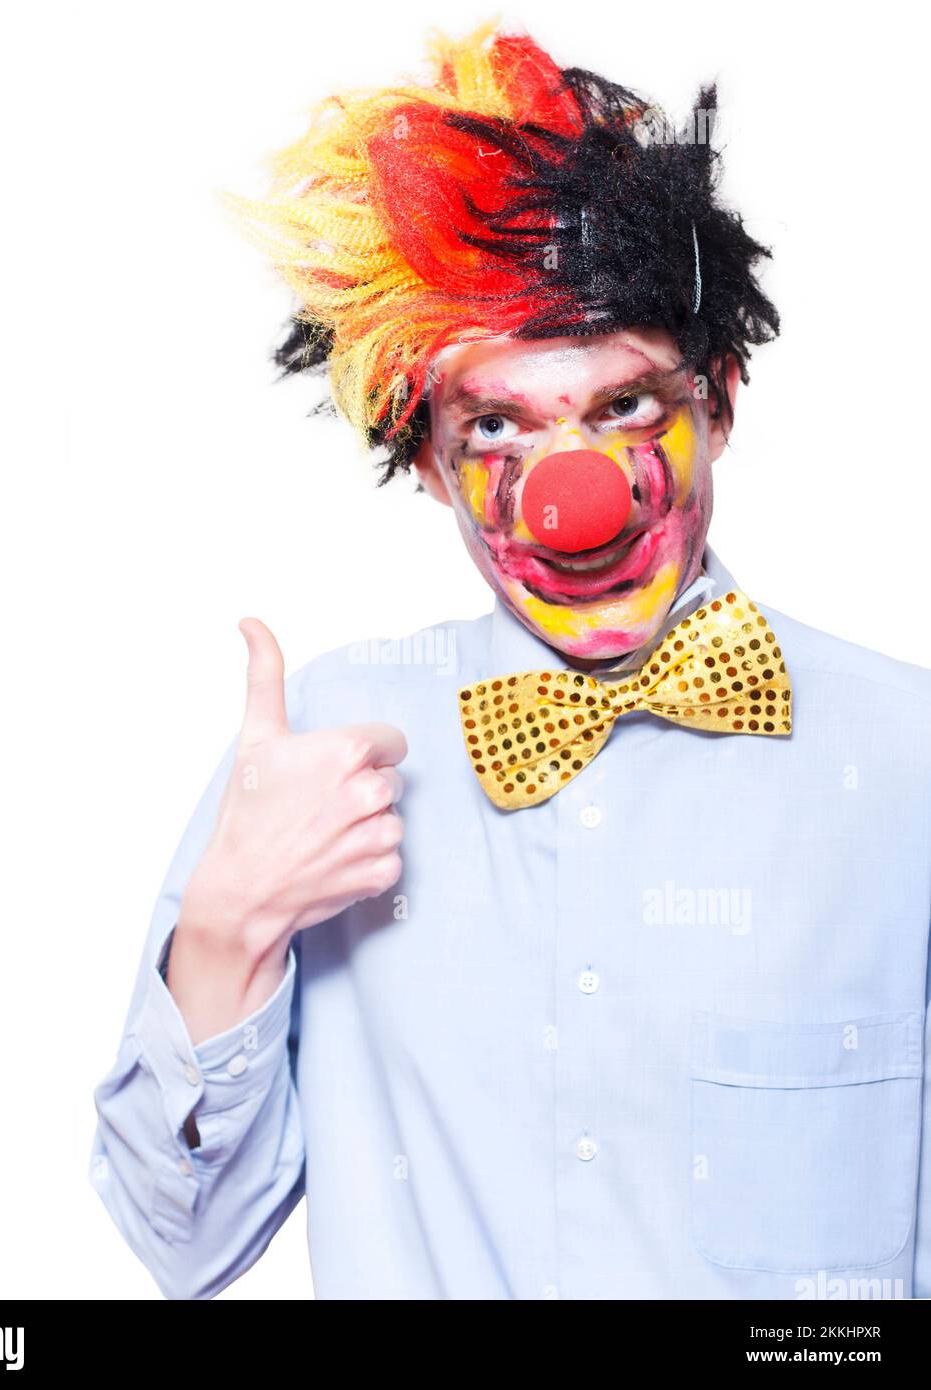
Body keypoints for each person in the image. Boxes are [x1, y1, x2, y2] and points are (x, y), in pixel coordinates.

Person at [88, 20, 931, 1300]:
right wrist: (227, 928)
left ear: (717, 401)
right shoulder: (318, 756)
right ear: (427, 462)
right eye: (494, 426)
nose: (568, 498)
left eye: (623, 406)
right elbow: (182, 1244)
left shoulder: (904, 760)